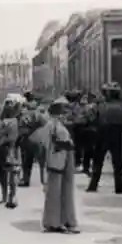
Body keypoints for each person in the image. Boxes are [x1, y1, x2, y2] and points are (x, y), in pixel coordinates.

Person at [41, 98, 79, 233]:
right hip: (58, 160)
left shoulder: (55, 125)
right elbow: (52, 143)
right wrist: (67, 145)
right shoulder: (54, 126)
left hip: (60, 160)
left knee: (60, 192)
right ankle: (56, 221)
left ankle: (61, 220)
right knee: (57, 192)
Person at [87, 82, 122, 194]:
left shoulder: (100, 106)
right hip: (117, 135)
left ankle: (93, 185)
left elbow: (92, 120)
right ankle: (119, 187)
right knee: (117, 163)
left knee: (98, 161)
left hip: (102, 134)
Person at [17, 94, 48, 187]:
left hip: (26, 139)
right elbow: (44, 123)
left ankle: (26, 180)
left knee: (27, 161)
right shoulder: (38, 113)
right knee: (42, 161)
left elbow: (20, 126)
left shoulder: (23, 113)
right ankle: (44, 179)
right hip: (38, 138)